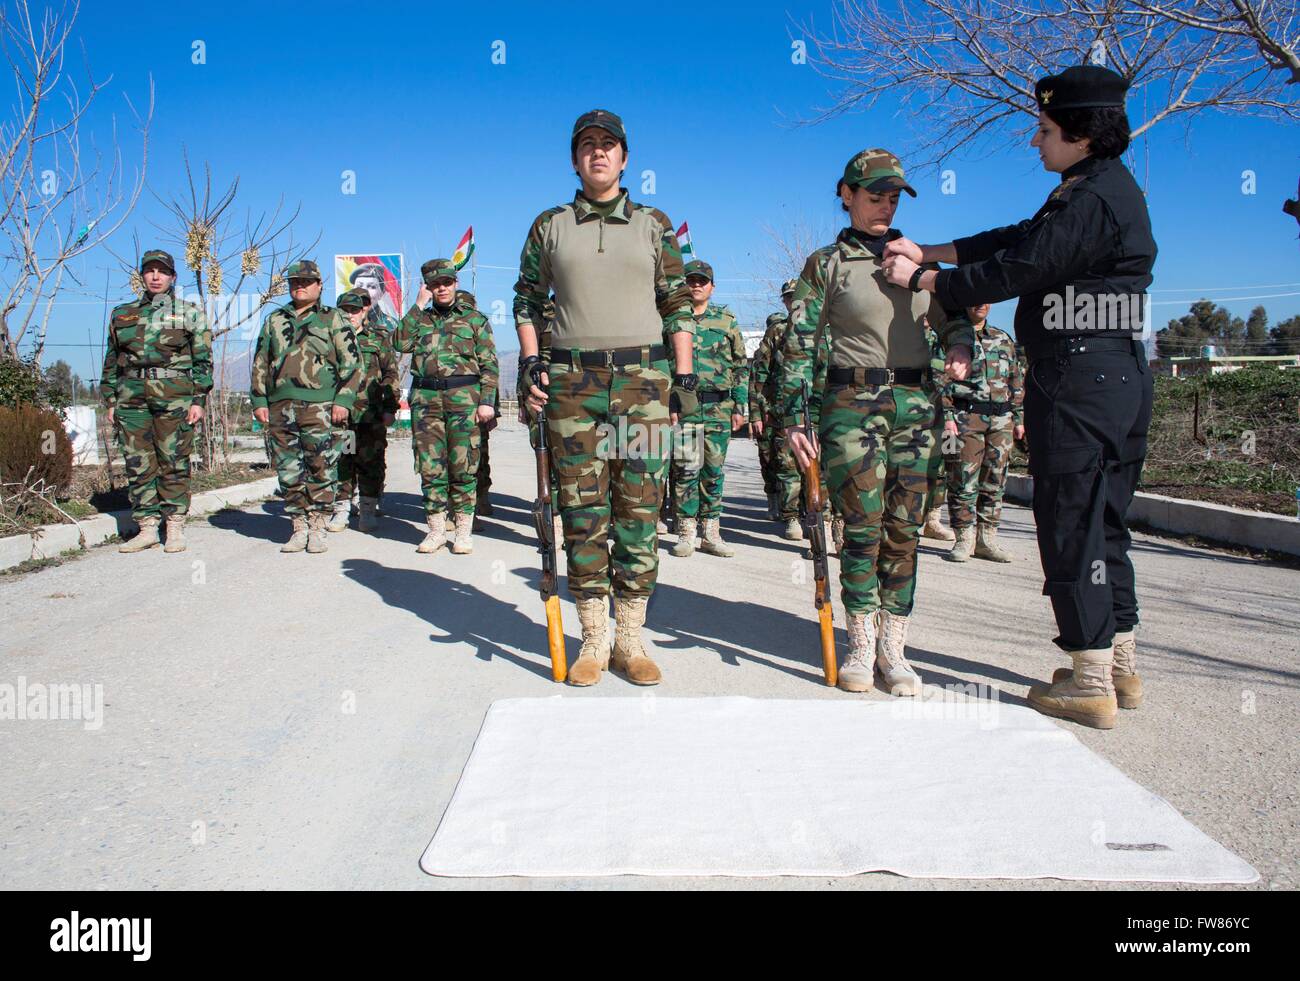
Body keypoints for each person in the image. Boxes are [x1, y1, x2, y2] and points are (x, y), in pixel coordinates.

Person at [882, 64, 1156, 729]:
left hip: (1079, 379)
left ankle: (1089, 679)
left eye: (1044, 130)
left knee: (1071, 519)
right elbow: (1014, 238)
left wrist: (925, 279)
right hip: (1114, 374)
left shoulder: (1091, 199)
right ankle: (1116, 660)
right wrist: (935, 248)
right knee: (1104, 518)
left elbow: (1020, 268)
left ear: (1081, 133)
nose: (1036, 142)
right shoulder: (1095, 190)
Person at [782, 148, 973, 696]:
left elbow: (956, 315)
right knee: (862, 529)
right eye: (874, 196)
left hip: (918, 408)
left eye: (893, 197)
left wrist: (960, 347)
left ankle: (896, 648)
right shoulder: (828, 265)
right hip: (852, 408)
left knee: (906, 529)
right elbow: (799, 345)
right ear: (846, 195)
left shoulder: (920, 262)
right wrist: (796, 415)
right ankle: (861, 643)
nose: (885, 206)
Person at [514, 108, 694, 688]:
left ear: (624, 157)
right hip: (572, 386)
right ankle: (592, 638)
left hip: (644, 383)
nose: (598, 153)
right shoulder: (550, 225)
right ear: (574, 158)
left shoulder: (653, 224)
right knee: (584, 513)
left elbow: (677, 304)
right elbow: (526, 299)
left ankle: (630, 640)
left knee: (639, 511)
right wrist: (529, 360)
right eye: (586, 145)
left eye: (608, 145)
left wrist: (684, 378)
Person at [101, 249, 212, 554]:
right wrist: (110, 399)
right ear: (142, 275)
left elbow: (203, 360)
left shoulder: (189, 313)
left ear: (172, 277)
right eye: (149, 271)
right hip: (131, 395)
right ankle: (147, 527)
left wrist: (198, 398)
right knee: (138, 462)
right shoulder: (122, 315)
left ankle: (174, 525)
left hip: (174, 395)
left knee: (173, 460)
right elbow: (112, 359)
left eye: (161, 271)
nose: (155, 276)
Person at [250, 259, 360, 554]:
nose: (300, 286)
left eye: (306, 281)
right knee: (288, 469)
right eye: (295, 281)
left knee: (321, 467)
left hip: (322, 406)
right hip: (280, 406)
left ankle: (318, 526)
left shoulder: (333, 319)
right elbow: (261, 361)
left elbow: (352, 363)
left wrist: (343, 400)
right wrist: (259, 400)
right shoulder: (274, 319)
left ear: (319, 285)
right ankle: (298, 525)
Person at [394, 259, 498, 555]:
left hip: (464, 400)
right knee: (430, 466)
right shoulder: (420, 319)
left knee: (464, 465)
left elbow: (489, 365)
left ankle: (463, 531)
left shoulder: (475, 320)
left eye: (446, 283)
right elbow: (399, 343)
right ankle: (436, 530)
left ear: (455, 283)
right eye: (435, 284)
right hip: (426, 401)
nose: (441, 289)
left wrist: (487, 402)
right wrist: (416, 305)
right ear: (428, 287)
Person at [670, 259, 749, 558]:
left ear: (712, 287)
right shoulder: (675, 320)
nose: (696, 285)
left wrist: (740, 405)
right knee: (687, 469)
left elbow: (741, 365)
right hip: (687, 406)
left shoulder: (726, 321)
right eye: (691, 280)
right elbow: (666, 363)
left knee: (714, 471)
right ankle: (686, 532)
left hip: (720, 407)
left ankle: (711, 532)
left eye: (702, 281)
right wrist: (670, 401)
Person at [939, 302, 1024, 563]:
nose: (980, 305)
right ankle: (963, 538)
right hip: (961, 419)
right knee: (960, 478)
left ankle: (987, 539)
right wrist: (945, 417)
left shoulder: (1003, 338)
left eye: (987, 299)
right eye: (974, 299)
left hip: (1001, 419)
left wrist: (1019, 418)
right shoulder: (948, 340)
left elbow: (1016, 379)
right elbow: (935, 380)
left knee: (995, 479)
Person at [330, 288, 399, 533]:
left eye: (355, 310)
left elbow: (391, 373)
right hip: (341, 416)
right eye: (345, 310)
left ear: (363, 311)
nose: (350, 315)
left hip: (370, 414)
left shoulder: (377, 339)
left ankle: (368, 508)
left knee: (371, 460)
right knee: (344, 460)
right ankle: (341, 509)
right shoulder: (330, 340)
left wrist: (391, 407)